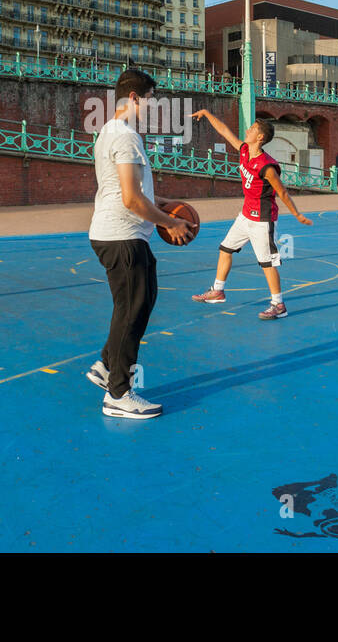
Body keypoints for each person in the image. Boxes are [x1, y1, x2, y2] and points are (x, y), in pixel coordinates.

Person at [86, 68, 191, 420]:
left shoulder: (109, 133)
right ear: (134, 98)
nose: (150, 107)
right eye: (149, 100)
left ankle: (106, 366)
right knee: (133, 310)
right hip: (122, 236)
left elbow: (127, 189)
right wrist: (171, 222)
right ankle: (119, 394)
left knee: (137, 305)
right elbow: (130, 199)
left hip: (120, 234)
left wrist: (158, 202)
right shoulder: (126, 136)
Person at [190, 111, 313, 319]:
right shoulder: (245, 150)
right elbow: (224, 131)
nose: (247, 130)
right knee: (225, 249)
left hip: (262, 220)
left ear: (260, 137)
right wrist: (207, 114)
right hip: (245, 215)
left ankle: (278, 305)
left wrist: (297, 214)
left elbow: (282, 192)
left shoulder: (267, 166)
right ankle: (218, 291)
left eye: (253, 129)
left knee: (267, 264)